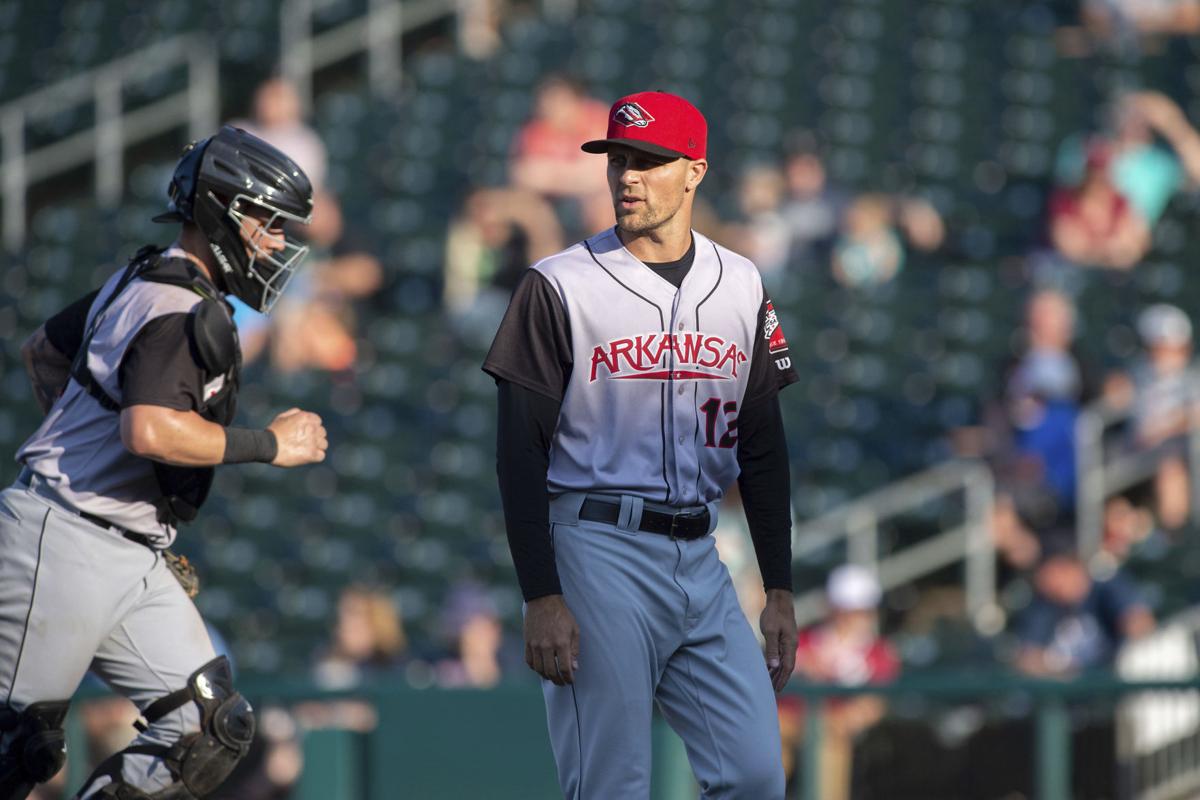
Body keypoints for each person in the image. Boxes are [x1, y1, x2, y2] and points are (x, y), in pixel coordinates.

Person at [484, 90, 800, 799]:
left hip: (702, 553)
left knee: (754, 776)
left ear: (694, 171)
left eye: (649, 160)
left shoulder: (742, 283)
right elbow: (517, 452)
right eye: (619, 158)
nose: (628, 175)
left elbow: (764, 446)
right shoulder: (558, 285)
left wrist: (778, 586)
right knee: (611, 785)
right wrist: (542, 594)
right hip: (598, 547)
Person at [2, 126, 328, 799]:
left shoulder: (142, 275)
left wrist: (106, 483)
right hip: (65, 538)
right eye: (264, 221)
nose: (274, 239)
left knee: (209, 728)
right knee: (15, 750)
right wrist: (270, 444)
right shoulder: (181, 304)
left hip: (119, 543)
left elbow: (44, 351)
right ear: (220, 212)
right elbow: (149, 429)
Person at [780, 565, 900, 800]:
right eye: (846, 609)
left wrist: (837, 719)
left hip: (834, 729)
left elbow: (871, 707)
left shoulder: (879, 652)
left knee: (829, 741)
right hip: (793, 721)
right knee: (766, 741)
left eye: (861, 610)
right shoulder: (804, 641)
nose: (853, 617)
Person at [1015, 546, 1155, 676]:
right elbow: (1027, 659)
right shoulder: (1044, 603)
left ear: (1074, 568)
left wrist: (1128, 625)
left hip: (1113, 678)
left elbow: (1141, 623)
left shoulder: (1106, 586)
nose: (1053, 585)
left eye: (1058, 573)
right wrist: (1066, 671)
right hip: (1067, 690)